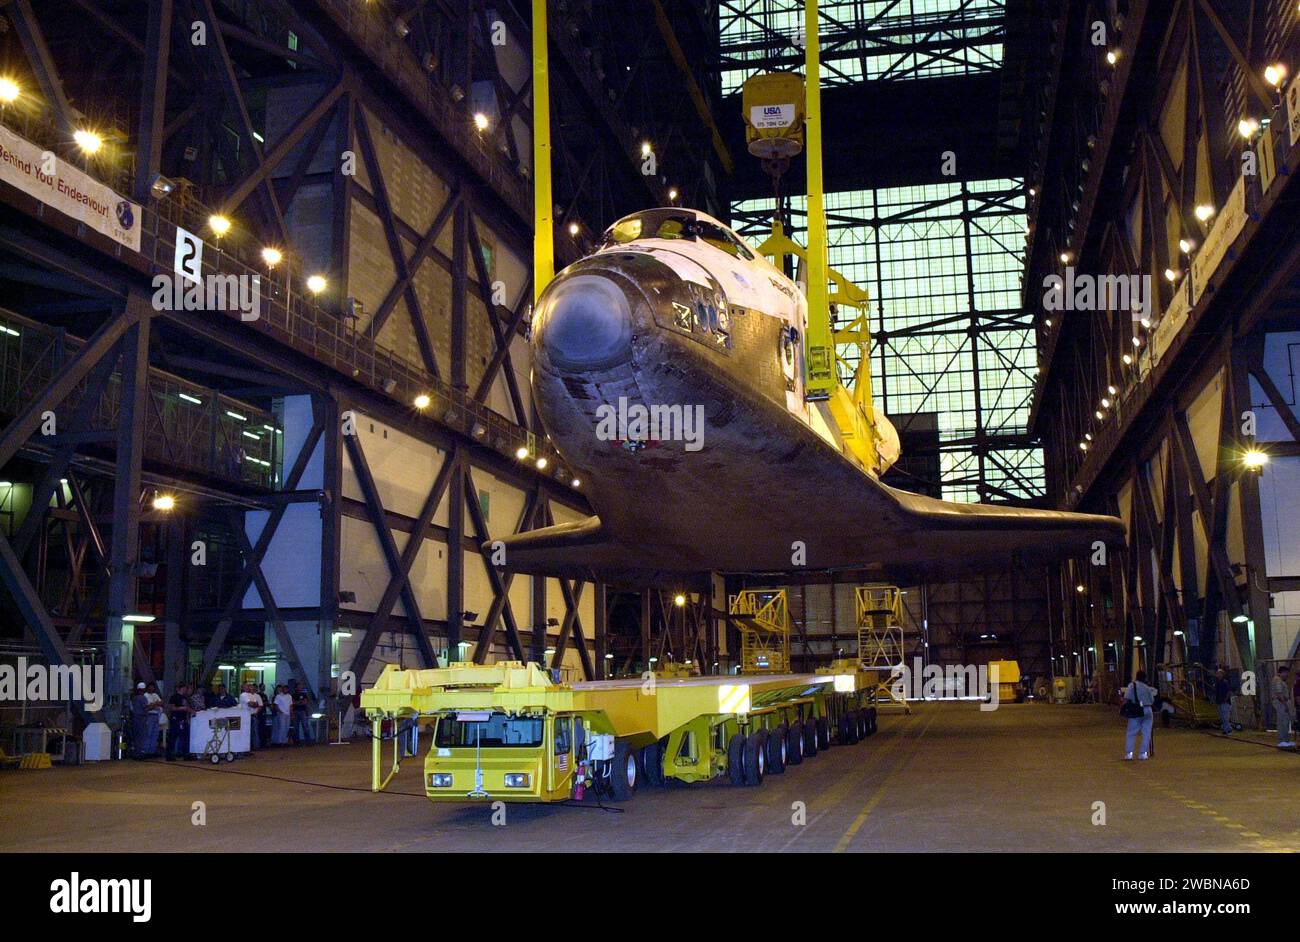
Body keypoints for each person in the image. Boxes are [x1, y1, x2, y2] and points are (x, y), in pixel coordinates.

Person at [1122, 670, 1157, 760]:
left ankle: (1129, 753)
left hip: (1136, 710)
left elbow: (1126, 698)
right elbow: (1152, 700)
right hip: (1148, 710)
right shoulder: (1147, 687)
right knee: (1146, 732)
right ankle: (1143, 753)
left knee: (1131, 732)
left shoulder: (1132, 686)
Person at [166, 682, 194, 760]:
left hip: (183, 718)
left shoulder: (185, 698)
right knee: (173, 737)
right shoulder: (174, 697)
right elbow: (172, 708)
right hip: (176, 719)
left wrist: (191, 711)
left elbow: (187, 707)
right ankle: (170, 754)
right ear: (182, 688)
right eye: (185, 688)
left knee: (185, 737)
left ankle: (185, 754)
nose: (186, 689)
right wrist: (182, 708)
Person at [1272, 665, 1295, 749]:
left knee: (1286, 722)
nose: (1287, 675)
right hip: (1281, 703)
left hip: (1282, 702)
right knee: (1283, 722)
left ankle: (1286, 740)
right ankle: (1282, 740)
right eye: (1286, 673)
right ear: (1282, 672)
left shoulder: (1279, 680)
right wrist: (1285, 704)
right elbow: (1279, 694)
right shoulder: (1277, 680)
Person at [239, 683, 263, 750]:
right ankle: (246, 747)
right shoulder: (243, 695)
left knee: (254, 732)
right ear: (242, 688)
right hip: (246, 716)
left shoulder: (251, 695)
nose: (248, 687)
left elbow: (256, 704)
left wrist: (254, 704)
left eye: (248, 686)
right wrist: (254, 704)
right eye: (246, 686)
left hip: (253, 715)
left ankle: (254, 746)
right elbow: (252, 704)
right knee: (247, 732)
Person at [291, 679, 313, 745]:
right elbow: (293, 702)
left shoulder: (304, 694)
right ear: (296, 687)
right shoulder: (293, 695)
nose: (301, 687)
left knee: (305, 726)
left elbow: (305, 702)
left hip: (303, 711)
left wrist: (298, 702)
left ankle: (308, 741)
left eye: (301, 686)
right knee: (296, 727)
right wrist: (300, 702)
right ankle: (297, 742)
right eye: (299, 686)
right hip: (295, 711)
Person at [1214, 667, 1233, 736]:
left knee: (1225, 717)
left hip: (1224, 702)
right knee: (1222, 717)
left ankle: (1228, 729)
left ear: (1222, 674)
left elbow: (1229, 691)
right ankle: (1226, 729)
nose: (1218, 675)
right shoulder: (1217, 683)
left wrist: (1226, 699)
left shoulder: (1225, 682)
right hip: (1219, 701)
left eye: (1219, 674)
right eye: (1217, 674)